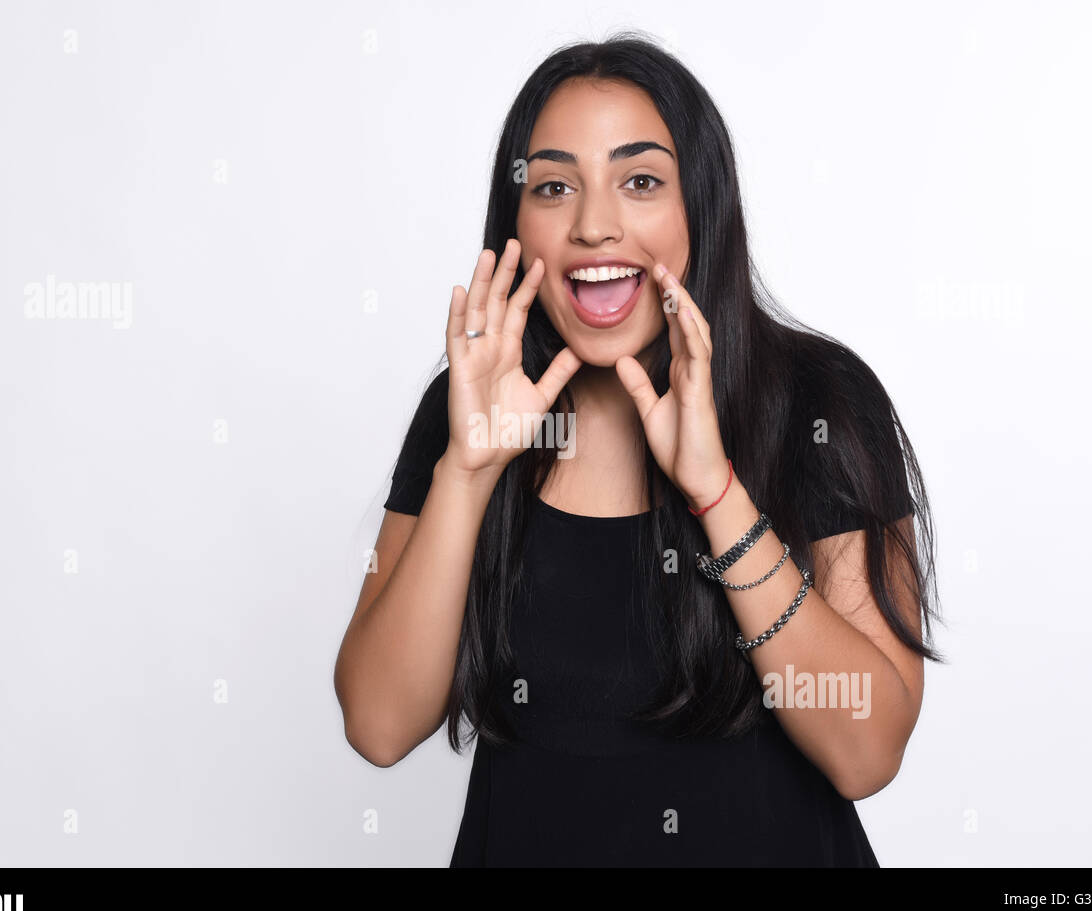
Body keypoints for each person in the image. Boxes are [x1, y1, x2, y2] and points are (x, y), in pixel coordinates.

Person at [334, 32, 942, 866]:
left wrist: (715, 489)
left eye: (641, 180)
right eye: (554, 186)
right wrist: (468, 472)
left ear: (703, 204)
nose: (593, 225)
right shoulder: (466, 407)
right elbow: (377, 723)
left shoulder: (818, 400)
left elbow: (865, 752)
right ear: (515, 223)